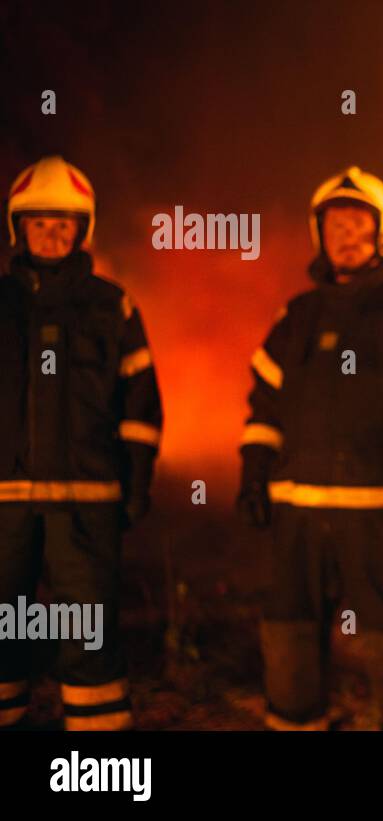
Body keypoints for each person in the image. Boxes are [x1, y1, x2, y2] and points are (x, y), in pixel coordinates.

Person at [237, 167, 383, 730]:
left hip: (378, 510)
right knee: (289, 631)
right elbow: (264, 404)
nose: (347, 234)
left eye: (359, 222)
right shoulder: (297, 316)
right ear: (320, 235)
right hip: (298, 510)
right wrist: (255, 468)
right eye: (335, 224)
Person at [0, 156, 162, 729]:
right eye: (40, 222)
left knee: (87, 631)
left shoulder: (111, 305)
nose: (51, 233)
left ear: (82, 229)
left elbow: (141, 407)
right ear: (18, 228)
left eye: (63, 223)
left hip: (87, 505)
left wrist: (136, 484)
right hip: (4, 505)